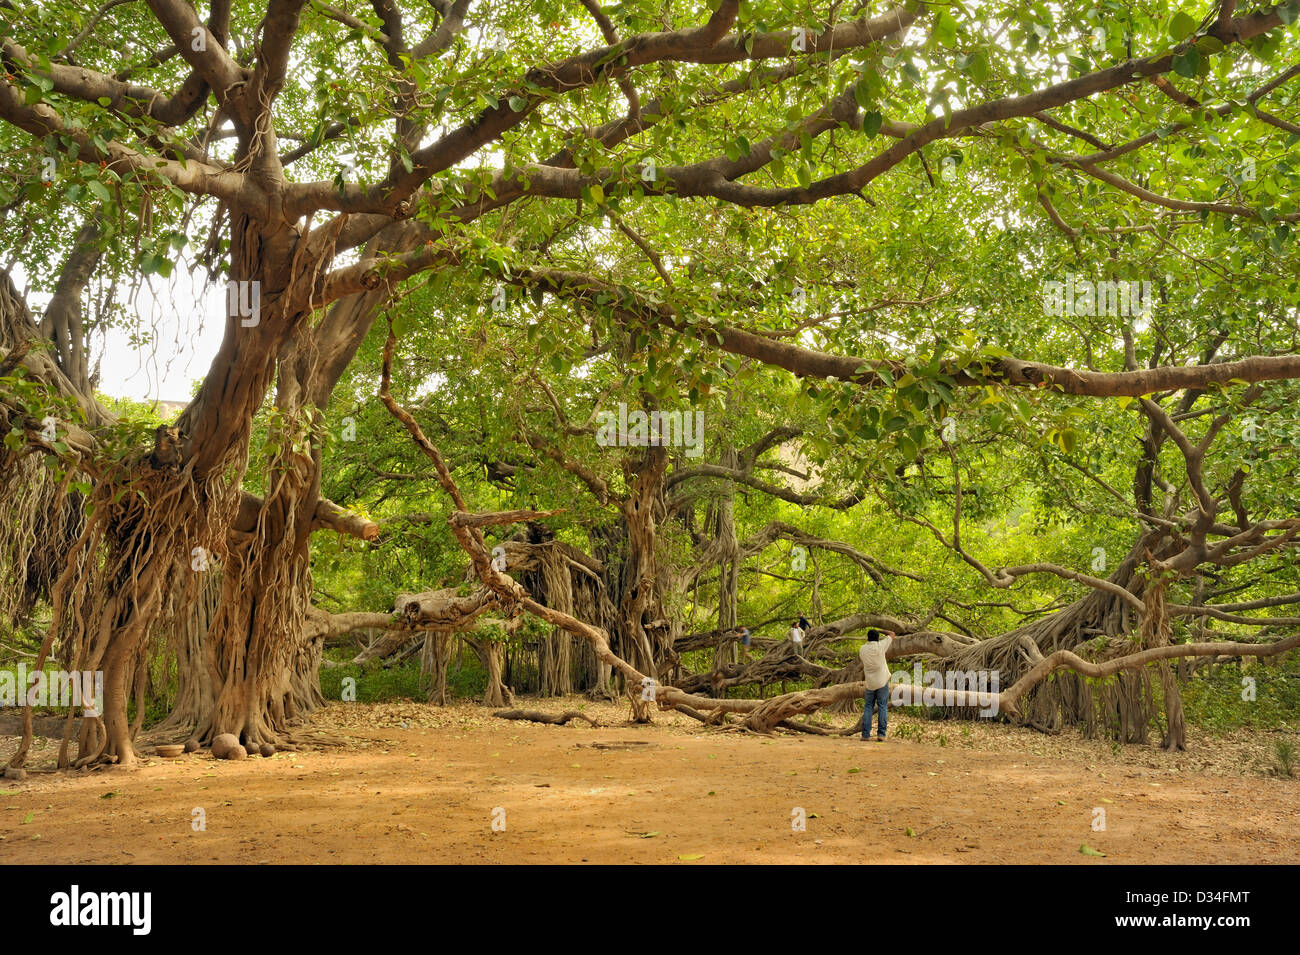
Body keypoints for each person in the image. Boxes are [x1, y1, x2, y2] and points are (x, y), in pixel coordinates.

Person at [859, 628, 895, 741]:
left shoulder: (863, 649)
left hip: (870, 682)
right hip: (882, 681)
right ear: (878, 638)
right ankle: (881, 734)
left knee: (868, 707)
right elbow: (892, 634)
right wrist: (883, 630)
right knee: (882, 707)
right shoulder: (881, 646)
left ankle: (865, 735)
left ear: (867, 638)